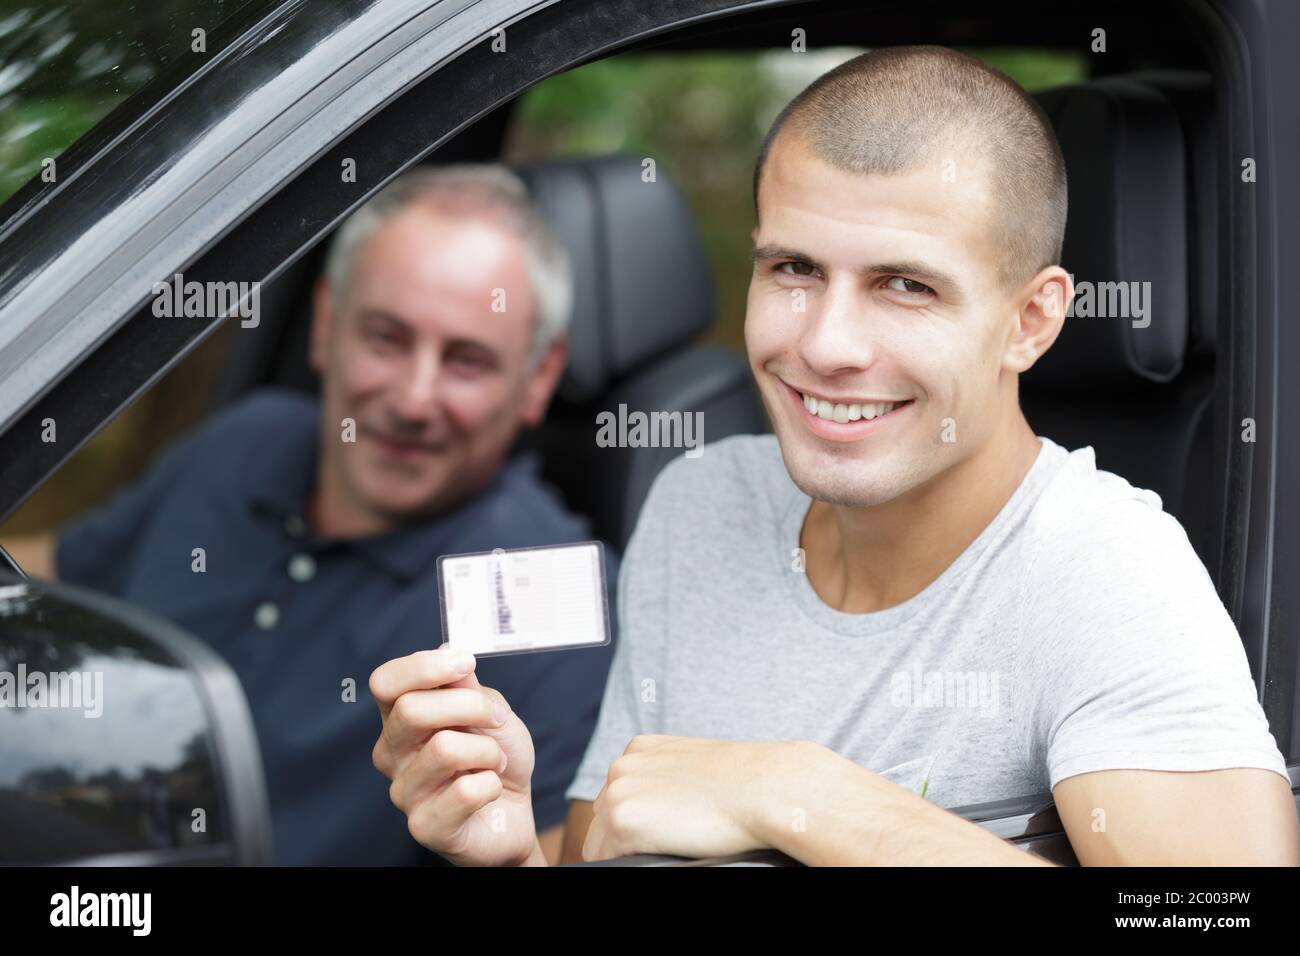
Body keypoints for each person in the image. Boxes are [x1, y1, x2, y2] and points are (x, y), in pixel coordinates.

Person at [368, 47, 1299, 866]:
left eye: (905, 285)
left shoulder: (1102, 569)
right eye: (795, 270)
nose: (828, 345)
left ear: (1031, 321)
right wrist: (513, 855)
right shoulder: (702, 502)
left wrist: (799, 794)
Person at [2, 164, 618, 865]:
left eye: (466, 361)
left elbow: (547, 853)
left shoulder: (557, 600)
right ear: (326, 326)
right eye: (386, 338)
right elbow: (46, 577)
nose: (414, 400)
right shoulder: (247, 441)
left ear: (538, 378)